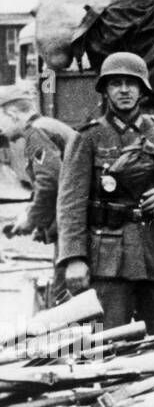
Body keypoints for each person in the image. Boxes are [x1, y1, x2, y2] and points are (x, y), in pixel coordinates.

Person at [56, 52, 154, 341]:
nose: (124, 90)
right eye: (115, 83)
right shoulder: (88, 136)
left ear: (142, 89)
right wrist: (74, 257)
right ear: (106, 90)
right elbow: (70, 203)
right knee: (106, 345)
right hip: (109, 259)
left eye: (131, 83)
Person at [0, 83, 74, 302]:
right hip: (76, 220)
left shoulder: (36, 133)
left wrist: (32, 219)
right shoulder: (46, 126)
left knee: (64, 296)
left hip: (77, 226)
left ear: (12, 114)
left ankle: (86, 336)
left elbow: (50, 183)